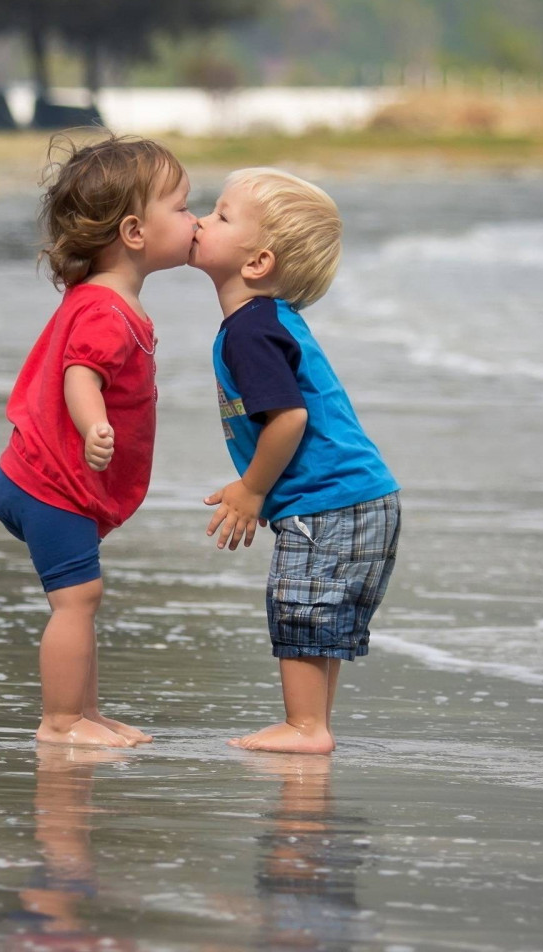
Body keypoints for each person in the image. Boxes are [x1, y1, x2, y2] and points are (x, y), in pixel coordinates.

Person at [0, 134, 197, 748]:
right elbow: (81, 374)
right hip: (50, 483)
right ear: (134, 232)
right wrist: (94, 425)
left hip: (41, 476)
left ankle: (88, 713)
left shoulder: (109, 300)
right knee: (78, 600)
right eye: (183, 208)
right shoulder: (107, 309)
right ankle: (61, 722)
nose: (194, 221)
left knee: (81, 600)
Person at [190, 168, 401, 754]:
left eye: (222, 215)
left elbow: (289, 419)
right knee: (317, 612)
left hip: (330, 499)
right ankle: (315, 724)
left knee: (300, 604)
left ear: (257, 263)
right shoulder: (264, 322)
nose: (203, 220)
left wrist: (251, 491)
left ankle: (306, 728)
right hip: (358, 497)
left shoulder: (250, 330)